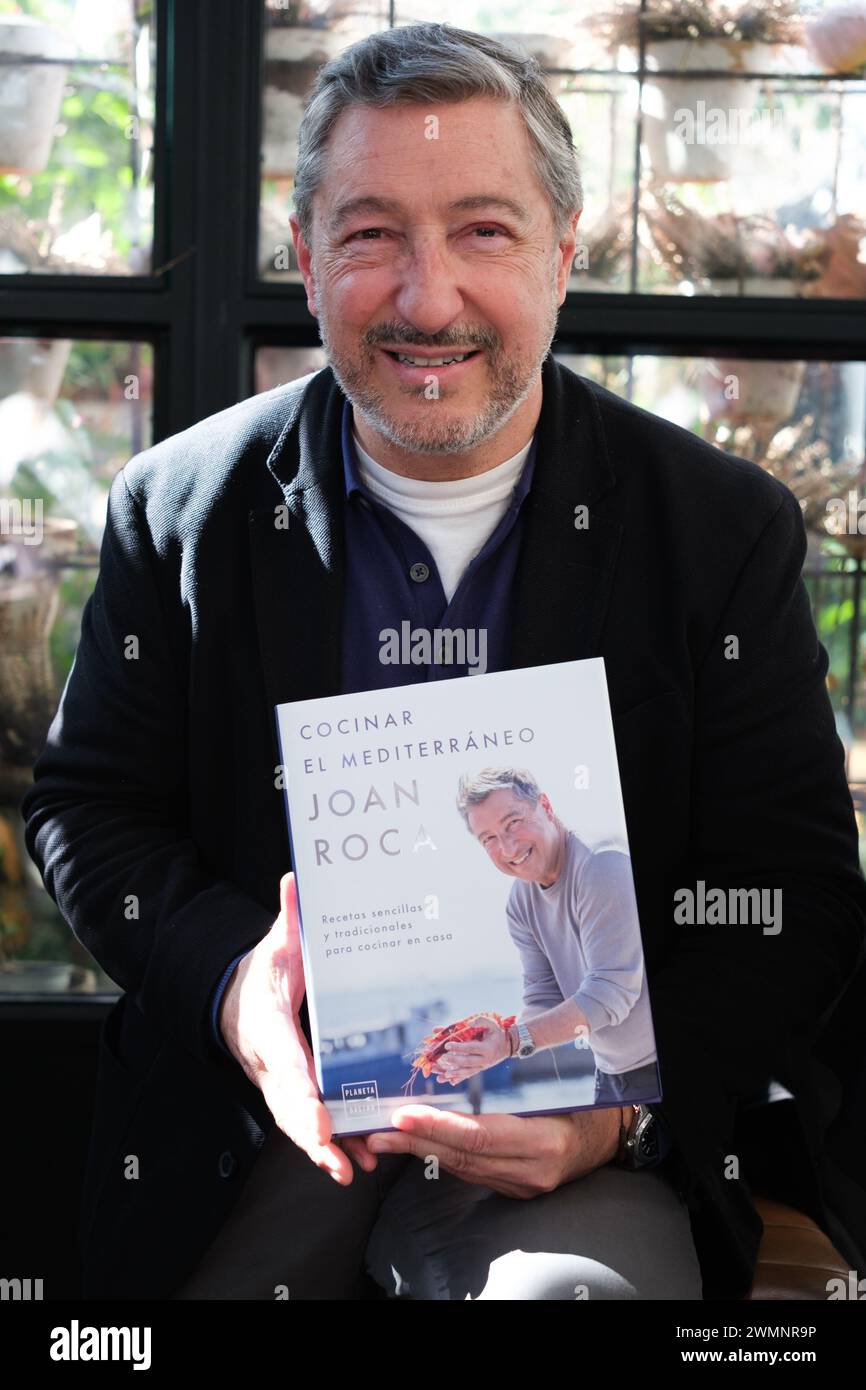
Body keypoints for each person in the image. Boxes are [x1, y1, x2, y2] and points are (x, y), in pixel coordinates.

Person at [21, 23, 866, 1302]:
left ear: (561, 254)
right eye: (369, 235)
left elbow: (789, 894)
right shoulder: (176, 506)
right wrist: (235, 990)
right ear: (303, 257)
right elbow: (89, 813)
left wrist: (610, 1117)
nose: (427, 299)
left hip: (579, 1144)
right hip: (254, 1129)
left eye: (483, 230)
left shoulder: (712, 528)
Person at [435, 768, 658, 1107]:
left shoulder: (601, 865)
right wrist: (495, 1034)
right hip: (612, 1076)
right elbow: (544, 995)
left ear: (546, 807)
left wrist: (512, 1041)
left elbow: (611, 992)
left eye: (513, 822)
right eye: (489, 839)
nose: (508, 846)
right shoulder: (520, 901)